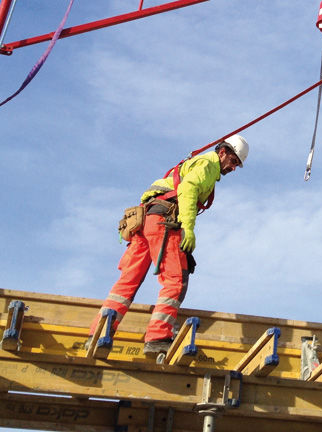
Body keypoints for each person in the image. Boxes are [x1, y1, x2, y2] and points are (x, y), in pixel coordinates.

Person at [90, 134, 249, 355]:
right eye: (233, 162)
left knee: (128, 281)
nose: (233, 169)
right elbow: (188, 190)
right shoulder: (208, 165)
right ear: (223, 153)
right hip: (162, 221)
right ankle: (157, 338)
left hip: (145, 220)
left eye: (237, 166)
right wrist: (188, 228)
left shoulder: (198, 162)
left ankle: (99, 333)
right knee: (175, 280)